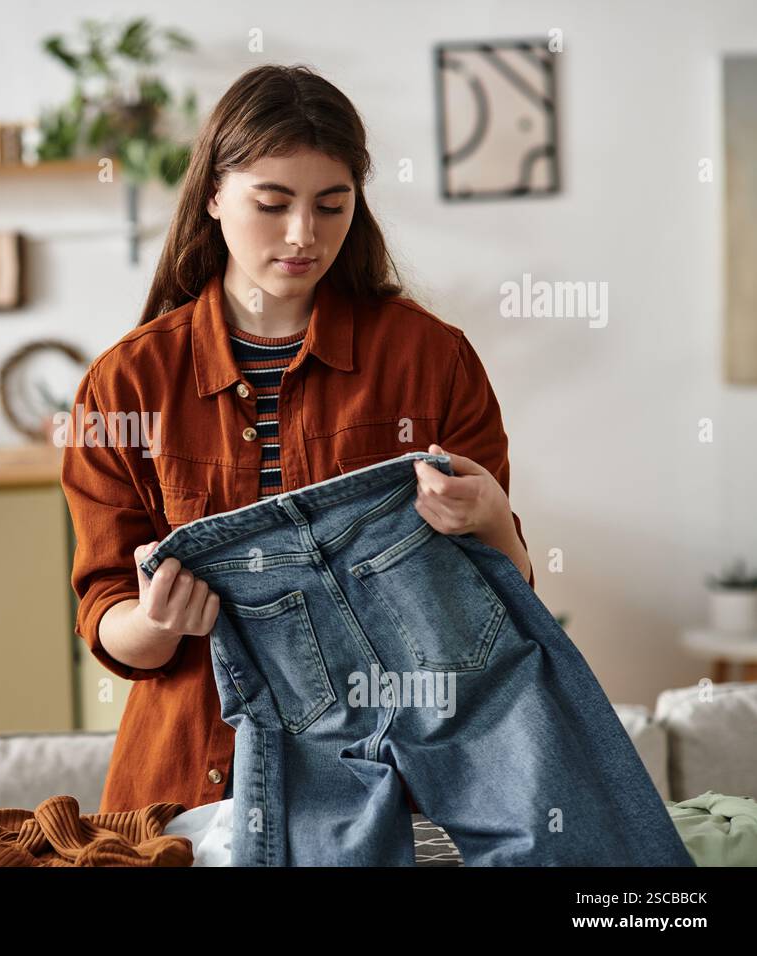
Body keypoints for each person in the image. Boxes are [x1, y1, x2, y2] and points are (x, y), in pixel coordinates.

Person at [60, 63, 534, 816]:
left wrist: (491, 521)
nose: (303, 235)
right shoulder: (125, 385)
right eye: (272, 203)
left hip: (393, 774)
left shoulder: (431, 359)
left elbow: (502, 602)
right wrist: (155, 620)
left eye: (331, 205)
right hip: (194, 784)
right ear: (214, 195)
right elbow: (108, 622)